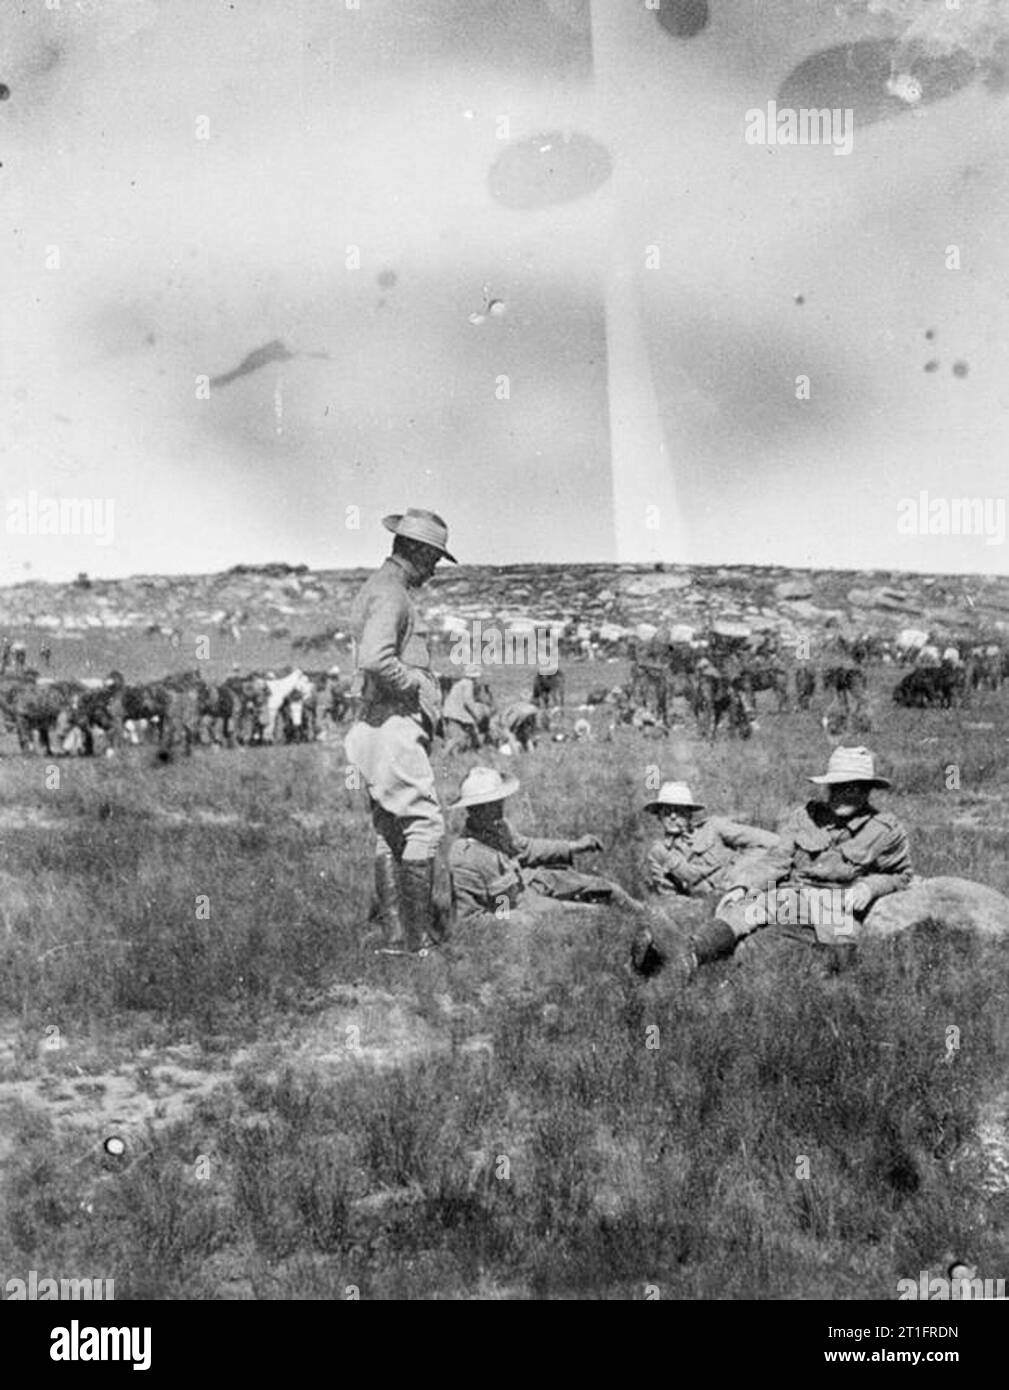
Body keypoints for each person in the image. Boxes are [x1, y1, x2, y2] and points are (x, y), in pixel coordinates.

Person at [344, 509, 456, 956]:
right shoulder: (392, 594)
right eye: (432, 559)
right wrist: (416, 682)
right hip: (393, 724)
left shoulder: (379, 587)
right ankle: (415, 943)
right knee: (424, 825)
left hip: (375, 723)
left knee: (390, 827)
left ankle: (396, 937)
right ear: (418, 551)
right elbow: (375, 658)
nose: (433, 570)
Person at [687, 746, 913, 967]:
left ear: (866, 790)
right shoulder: (805, 817)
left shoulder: (884, 830)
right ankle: (690, 954)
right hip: (787, 901)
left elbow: (901, 875)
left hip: (832, 917)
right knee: (736, 914)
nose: (840, 795)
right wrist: (743, 886)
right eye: (835, 787)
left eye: (851, 788)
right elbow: (775, 861)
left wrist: (869, 887)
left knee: (751, 951)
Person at [448, 766, 644, 928]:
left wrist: (575, 846)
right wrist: (520, 921)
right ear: (473, 809)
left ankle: (649, 915)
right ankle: (637, 929)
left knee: (605, 888)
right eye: (490, 804)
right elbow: (470, 920)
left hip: (531, 883)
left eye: (499, 800)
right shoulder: (464, 857)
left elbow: (527, 848)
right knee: (594, 915)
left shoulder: (499, 826)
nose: (499, 807)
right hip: (517, 908)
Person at [643, 781, 779, 900]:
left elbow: (770, 841)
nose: (672, 816)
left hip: (745, 892)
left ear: (689, 814)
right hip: (708, 907)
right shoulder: (659, 853)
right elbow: (670, 898)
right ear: (659, 817)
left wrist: (738, 878)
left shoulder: (713, 827)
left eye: (678, 810)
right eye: (666, 812)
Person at [442, 664, 489, 754]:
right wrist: (475, 713)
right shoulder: (468, 684)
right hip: (456, 713)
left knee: (470, 732)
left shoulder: (461, 683)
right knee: (457, 737)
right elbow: (468, 701)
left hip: (452, 711)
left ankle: (477, 750)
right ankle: (444, 754)